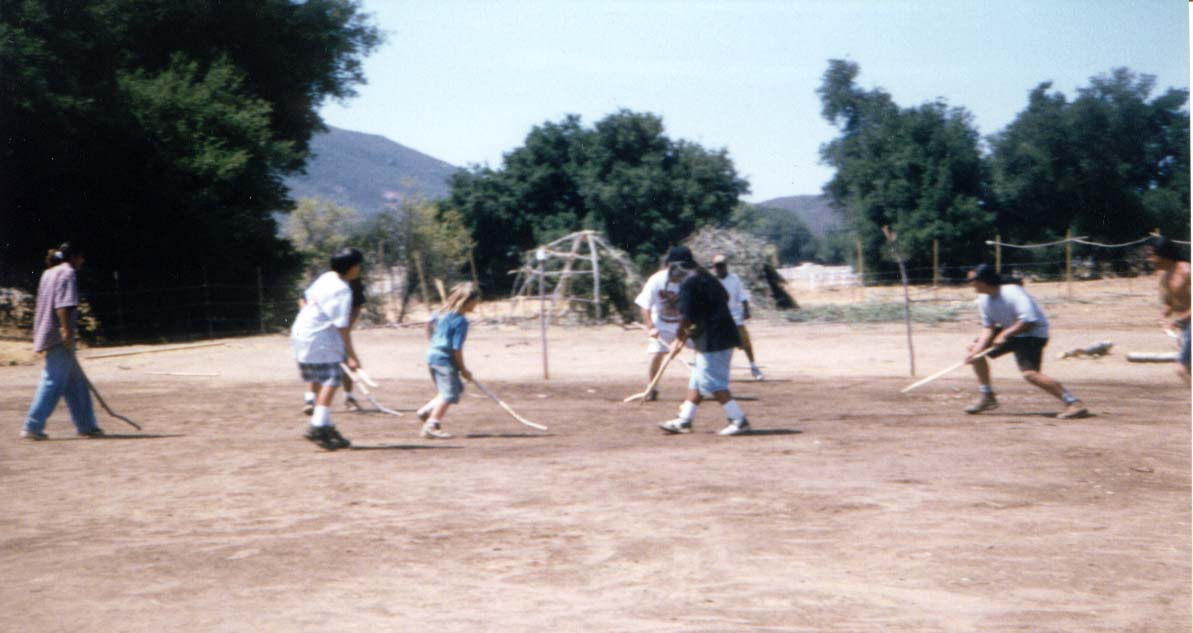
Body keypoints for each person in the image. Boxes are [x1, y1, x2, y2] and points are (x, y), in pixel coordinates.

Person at [963, 264, 1088, 419]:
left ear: (983, 280)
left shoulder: (1012, 292)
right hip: (1011, 330)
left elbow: (1028, 321)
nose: (969, 283)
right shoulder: (983, 299)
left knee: (1030, 374)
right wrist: (976, 352)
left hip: (1033, 334)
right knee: (975, 351)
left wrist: (1005, 335)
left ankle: (1074, 403)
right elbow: (988, 328)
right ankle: (987, 396)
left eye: (971, 280)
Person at [657, 255, 753, 436]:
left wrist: (680, 338)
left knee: (712, 382)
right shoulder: (706, 277)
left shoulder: (688, 283)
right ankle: (684, 420)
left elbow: (686, 317)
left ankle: (739, 421)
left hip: (714, 339)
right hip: (719, 334)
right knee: (697, 379)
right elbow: (722, 299)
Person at [21, 243, 105, 440]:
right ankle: (32, 426)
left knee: (75, 382)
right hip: (59, 336)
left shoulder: (48, 273)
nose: (82, 261)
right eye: (80, 257)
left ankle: (87, 425)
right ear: (73, 257)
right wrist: (66, 331)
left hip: (47, 332)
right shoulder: (67, 273)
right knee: (52, 380)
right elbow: (63, 304)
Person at [291, 248, 365, 450]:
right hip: (319, 337)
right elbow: (343, 327)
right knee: (331, 380)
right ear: (351, 268)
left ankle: (327, 426)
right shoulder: (342, 289)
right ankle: (316, 426)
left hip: (301, 332)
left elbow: (306, 299)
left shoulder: (326, 277)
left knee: (322, 378)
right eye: (358, 265)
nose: (359, 269)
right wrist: (351, 356)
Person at [415, 282, 480, 439]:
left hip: (433, 356)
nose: (477, 304)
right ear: (468, 301)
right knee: (449, 393)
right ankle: (431, 424)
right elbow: (456, 349)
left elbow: (428, 324)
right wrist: (463, 370)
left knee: (456, 388)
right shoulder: (461, 321)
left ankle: (426, 411)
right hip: (444, 358)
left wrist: (432, 341)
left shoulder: (440, 313)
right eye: (475, 300)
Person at [301, 277, 367, 414]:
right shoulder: (325, 280)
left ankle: (349, 398)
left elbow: (357, 307)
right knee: (315, 362)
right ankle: (310, 401)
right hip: (318, 329)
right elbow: (303, 299)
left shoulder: (354, 283)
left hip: (339, 327)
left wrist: (347, 325)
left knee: (346, 360)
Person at [634, 247, 691, 400]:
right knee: (656, 354)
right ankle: (652, 388)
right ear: (670, 266)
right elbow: (644, 305)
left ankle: (702, 386)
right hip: (661, 322)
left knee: (703, 350)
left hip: (684, 323)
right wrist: (651, 327)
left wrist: (682, 337)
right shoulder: (656, 280)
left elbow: (694, 310)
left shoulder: (690, 281)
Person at [1143, 236, 1191, 384]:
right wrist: (1163, 315)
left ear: (1163, 253)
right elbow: (1170, 302)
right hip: (1185, 326)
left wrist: (1176, 321)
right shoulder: (1163, 275)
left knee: (1182, 368)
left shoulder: (1186, 271)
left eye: (1151, 255)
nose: (1148, 259)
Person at [712, 254, 764, 380]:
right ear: (714, 267)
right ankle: (719, 370)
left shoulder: (734, 279)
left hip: (734, 316)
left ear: (726, 266)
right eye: (717, 266)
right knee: (718, 346)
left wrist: (746, 310)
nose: (720, 268)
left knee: (745, 342)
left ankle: (753, 366)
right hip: (718, 317)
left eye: (722, 265)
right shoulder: (712, 281)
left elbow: (742, 296)